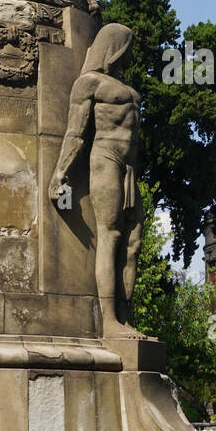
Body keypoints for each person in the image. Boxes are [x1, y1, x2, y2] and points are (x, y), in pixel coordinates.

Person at [49, 23, 143, 335]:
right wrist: (59, 173)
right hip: (105, 158)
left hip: (130, 168)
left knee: (133, 243)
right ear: (115, 46)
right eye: (127, 46)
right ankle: (110, 322)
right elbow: (75, 133)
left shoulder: (127, 87)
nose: (131, 53)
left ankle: (127, 318)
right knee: (111, 234)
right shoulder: (89, 83)